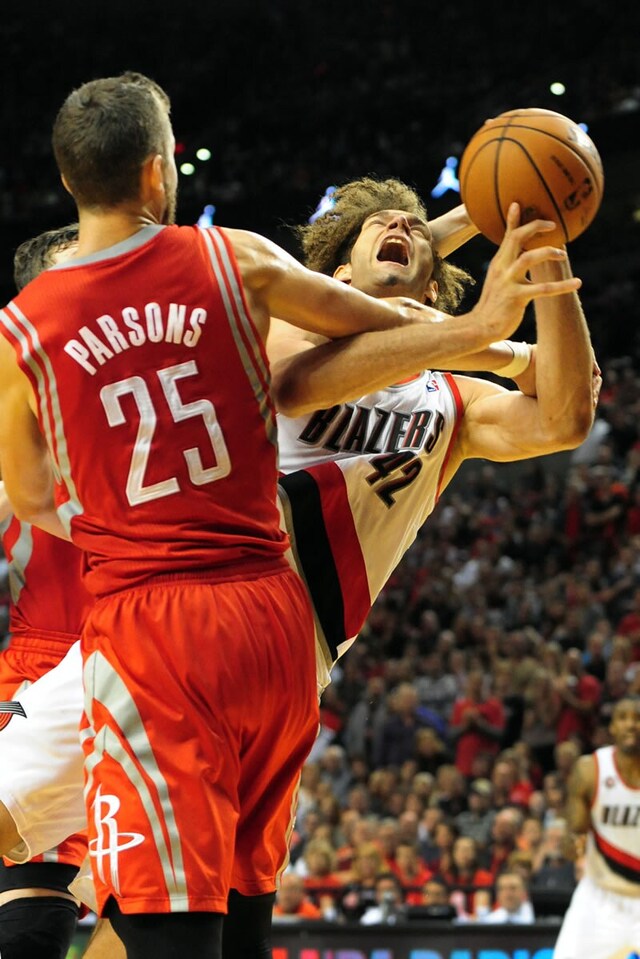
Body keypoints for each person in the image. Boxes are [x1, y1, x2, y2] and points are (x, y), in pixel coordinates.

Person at [0, 167, 594, 957]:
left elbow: (563, 414)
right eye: (379, 226)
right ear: (334, 276)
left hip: (279, 667)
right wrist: (481, 324)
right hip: (176, 623)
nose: (404, 229)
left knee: (173, 910)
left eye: (415, 230)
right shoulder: (282, 327)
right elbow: (290, 387)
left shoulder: (453, 403)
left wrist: (550, 265)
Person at [0, 226, 93, 959]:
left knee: (179, 902)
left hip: (165, 651)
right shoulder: (17, 410)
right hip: (47, 660)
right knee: (33, 908)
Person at [553, 697, 640, 958]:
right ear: (611, 727)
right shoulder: (590, 770)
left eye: (637, 719)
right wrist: (572, 844)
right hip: (601, 896)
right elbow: (575, 836)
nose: (631, 725)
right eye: (623, 718)